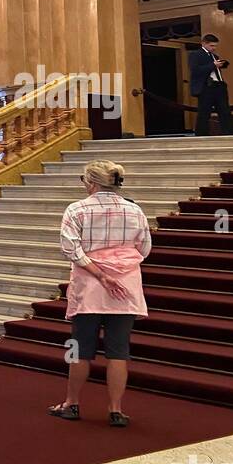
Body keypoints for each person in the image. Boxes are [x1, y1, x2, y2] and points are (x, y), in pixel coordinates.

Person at [50, 159, 152, 427]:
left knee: (80, 350)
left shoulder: (77, 210)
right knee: (119, 352)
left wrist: (99, 271)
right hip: (125, 287)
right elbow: (144, 248)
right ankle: (116, 410)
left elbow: (70, 249)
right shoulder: (134, 210)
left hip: (90, 289)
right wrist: (118, 266)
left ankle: (72, 404)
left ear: (91, 182)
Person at [189, 33, 233, 136]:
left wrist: (221, 64)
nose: (214, 48)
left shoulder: (215, 56)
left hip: (219, 85)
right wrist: (213, 65)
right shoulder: (196, 54)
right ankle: (201, 134)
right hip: (206, 86)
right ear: (204, 43)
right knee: (204, 112)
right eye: (212, 45)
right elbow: (195, 70)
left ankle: (229, 133)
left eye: (215, 46)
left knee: (224, 110)